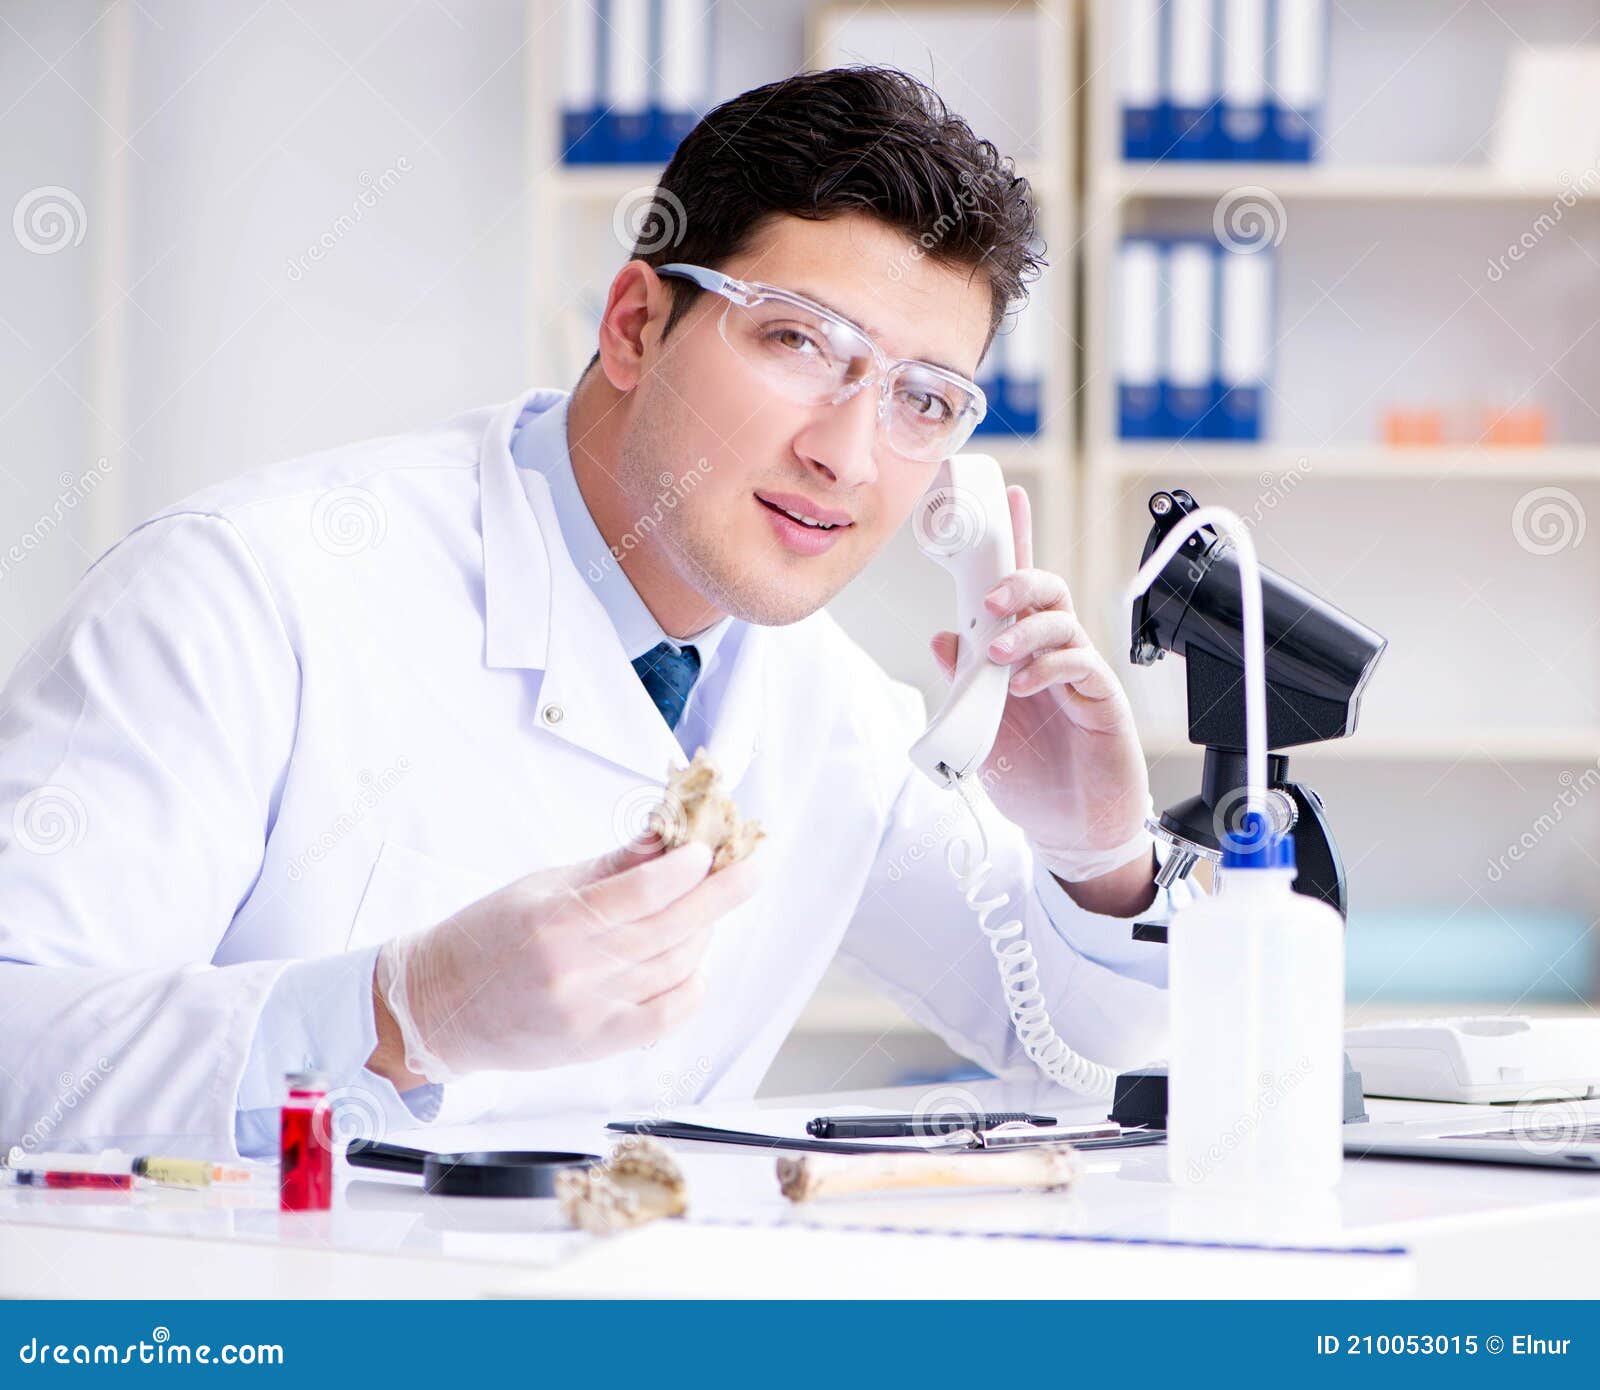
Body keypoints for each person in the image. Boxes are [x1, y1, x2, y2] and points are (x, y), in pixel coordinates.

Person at [0, 67, 1188, 1159]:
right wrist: (395, 1012)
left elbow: (1096, 1063)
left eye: (923, 400)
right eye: (797, 341)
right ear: (634, 326)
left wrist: (1101, 862)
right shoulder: (243, 594)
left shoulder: (830, 708)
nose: (847, 456)